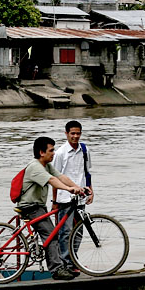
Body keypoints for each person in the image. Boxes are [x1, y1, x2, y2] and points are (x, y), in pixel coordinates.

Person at [15, 136, 87, 280]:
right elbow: (52, 180)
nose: (54, 153)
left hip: (38, 206)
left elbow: (60, 176)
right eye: (51, 150)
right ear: (42, 152)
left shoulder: (46, 165)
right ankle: (56, 270)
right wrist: (69, 189)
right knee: (51, 234)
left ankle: (61, 265)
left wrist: (77, 187)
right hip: (30, 207)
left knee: (51, 234)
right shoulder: (35, 166)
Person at [52, 120, 94, 271]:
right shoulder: (60, 153)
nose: (75, 136)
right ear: (66, 134)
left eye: (78, 133)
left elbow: (87, 172)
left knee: (79, 230)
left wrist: (91, 190)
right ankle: (66, 263)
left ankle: (74, 260)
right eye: (72, 133)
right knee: (65, 232)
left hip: (80, 197)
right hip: (65, 198)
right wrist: (55, 200)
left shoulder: (84, 150)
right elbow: (54, 178)